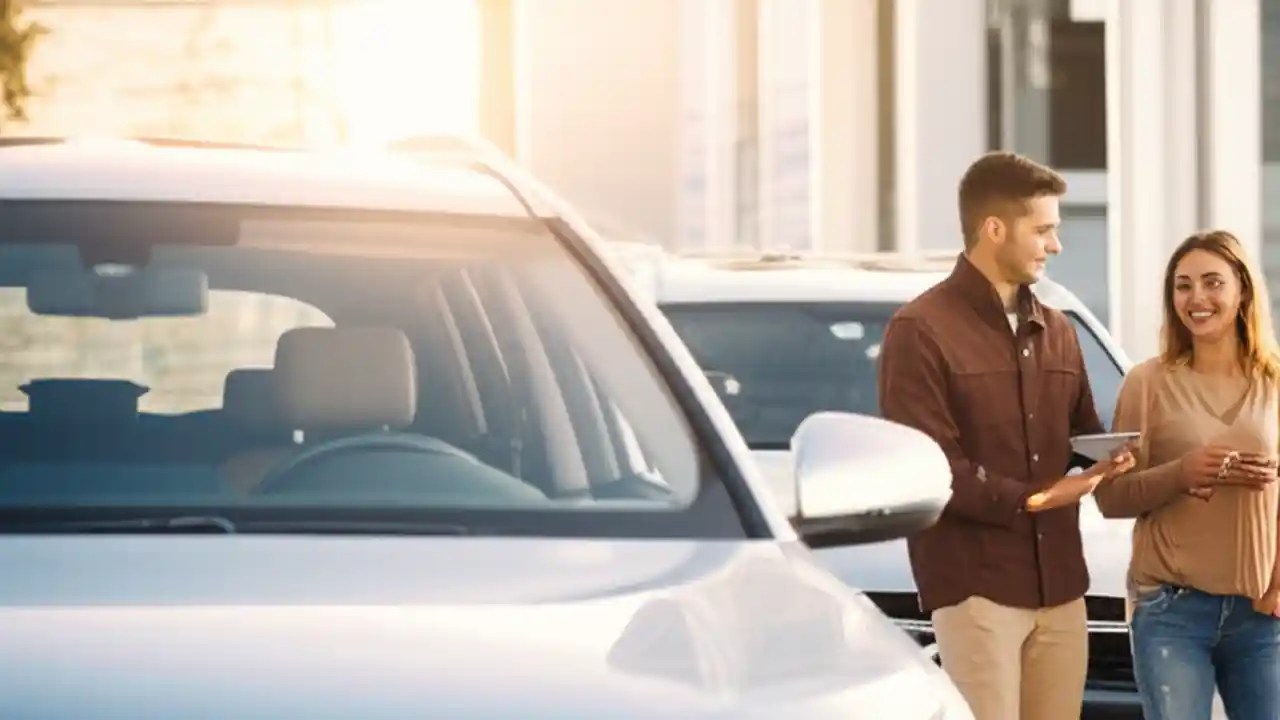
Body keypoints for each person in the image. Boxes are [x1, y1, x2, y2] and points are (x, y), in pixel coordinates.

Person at [877, 150, 1135, 720]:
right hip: (977, 588)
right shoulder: (919, 331)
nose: (1056, 245)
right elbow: (935, 470)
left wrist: (1115, 454)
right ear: (994, 228)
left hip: (1062, 587)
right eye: (1043, 230)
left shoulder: (1060, 329)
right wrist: (1040, 498)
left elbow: (1080, 434)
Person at [1094, 230, 1280, 720]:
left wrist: (1278, 584)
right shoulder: (1147, 383)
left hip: (1261, 615)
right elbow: (1110, 498)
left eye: (1212, 283)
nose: (1196, 298)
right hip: (1172, 612)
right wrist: (1181, 474)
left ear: (1242, 290)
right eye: (1183, 285)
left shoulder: (1274, 382)